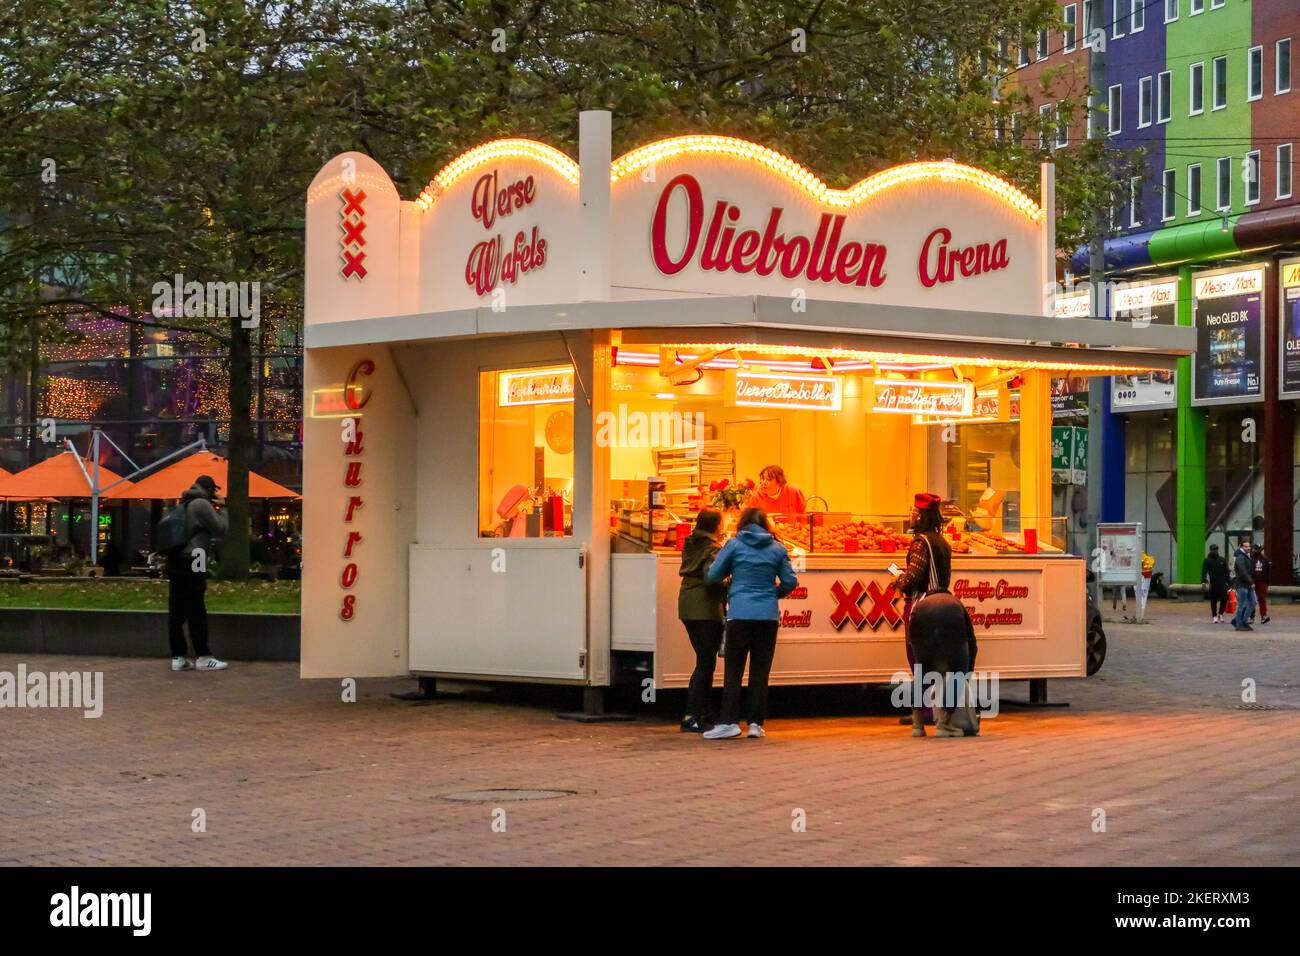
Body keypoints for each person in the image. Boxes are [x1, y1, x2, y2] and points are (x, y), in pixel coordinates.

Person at [702, 507, 797, 739]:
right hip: (767, 617)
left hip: (740, 614)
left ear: (742, 523)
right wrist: (775, 593)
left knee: (733, 671)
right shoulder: (777, 548)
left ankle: (729, 722)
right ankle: (755, 724)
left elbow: (713, 575)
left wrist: (732, 582)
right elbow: (790, 581)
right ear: (766, 525)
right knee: (760, 672)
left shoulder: (734, 545)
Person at [894, 492, 976, 738]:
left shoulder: (920, 542)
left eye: (913, 512)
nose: (911, 516)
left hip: (922, 604)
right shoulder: (943, 543)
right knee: (960, 661)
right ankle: (945, 720)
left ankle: (919, 723)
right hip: (947, 600)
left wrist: (898, 580)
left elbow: (914, 576)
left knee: (921, 663)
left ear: (920, 515)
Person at [166, 475, 230, 671]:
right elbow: (221, 530)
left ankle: (178, 657)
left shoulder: (183, 504)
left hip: (175, 558)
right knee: (197, 608)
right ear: (209, 489)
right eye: (214, 491)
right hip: (197, 556)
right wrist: (224, 509)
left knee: (176, 610)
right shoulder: (201, 504)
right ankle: (203, 656)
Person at [677, 509, 727, 733]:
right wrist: (730, 581)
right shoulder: (713, 548)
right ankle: (692, 714)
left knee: (704, 661)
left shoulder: (691, 542)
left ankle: (705, 712)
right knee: (705, 663)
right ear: (717, 526)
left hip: (688, 605)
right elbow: (712, 577)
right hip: (705, 609)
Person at [1230, 537, 1256, 632]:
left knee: (1253, 602)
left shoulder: (1246, 556)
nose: (1248, 548)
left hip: (1247, 584)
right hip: (1242, 584)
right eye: (1246, 546)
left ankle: (1243, 621)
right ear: (1241, 547)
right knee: (1241, 604)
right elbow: (1242, 571)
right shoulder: (1241, 557)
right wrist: (1251, 582)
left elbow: (1248, 571)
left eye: (1249, 546)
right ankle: (1238, 623)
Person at [1200, 544, 1230, 623]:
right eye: (1213, 549)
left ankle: (1220, 613)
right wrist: (1203, 581)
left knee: (1224, 598)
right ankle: (1214, 616)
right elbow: (1204, 572)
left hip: (1222, 583)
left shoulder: (1222, 560)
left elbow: (1226, 572)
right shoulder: (1207, 560)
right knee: (1213, 600)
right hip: (1213, 583)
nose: (1215, 551)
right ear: (1210, 550)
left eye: (1216, 549)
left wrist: (1230, 582)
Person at [1252, 544, 1272, 625]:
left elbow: (1269, 572)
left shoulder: (1265, 559)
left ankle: (1263, 616)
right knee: (1251, 600)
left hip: (1262, 582)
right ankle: (1251, 617)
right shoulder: (1251, 558)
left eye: (1259, 549)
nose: (1257, 551)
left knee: (1262, 599)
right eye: (1256, 549)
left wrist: (1268, 583)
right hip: (1252, 582)